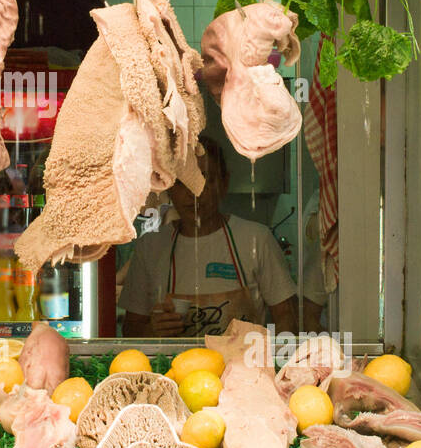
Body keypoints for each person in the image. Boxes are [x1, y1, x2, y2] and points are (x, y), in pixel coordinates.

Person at [119, 137, 302, 337]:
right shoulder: (151, 246)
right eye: (182, 183)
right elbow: (131, 330)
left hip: (241, 367)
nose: (194, 193)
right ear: (169, 187)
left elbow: (287, 318)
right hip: (174, 367)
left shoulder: (256, 239)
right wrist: (152, 330)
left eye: (204, 179)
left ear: (224, 183)